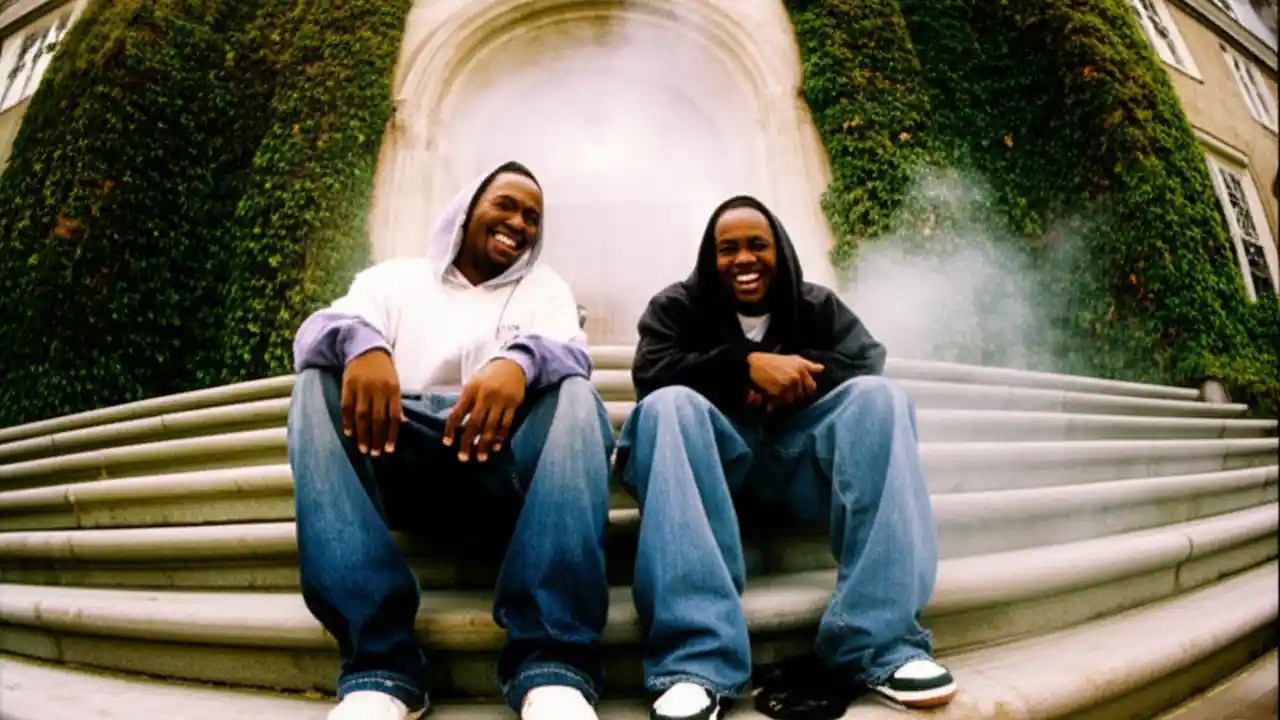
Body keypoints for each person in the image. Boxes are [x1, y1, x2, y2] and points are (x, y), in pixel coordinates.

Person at [288, 161, 614, 720]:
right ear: (469, 209)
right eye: (505, 204)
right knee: (316, 381)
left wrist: (519, 362)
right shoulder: (393, 279)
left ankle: (552, 664)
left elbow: (573, 352)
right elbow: (318, 330)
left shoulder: (545, 289)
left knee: (578, 396)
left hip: (503, 474)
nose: (519, 222)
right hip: (401, 458)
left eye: (532, 216)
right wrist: (363, 345)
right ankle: (380, 667)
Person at [616, 196, 956, 720]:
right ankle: (695, 660)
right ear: (711, 258)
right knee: (667, 405)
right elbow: (651, 372)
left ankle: (881, 642)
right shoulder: (676, 307)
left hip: (795, 467)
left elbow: (867, 359)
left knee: (882, 398)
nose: (744, 258)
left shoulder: (815, 306)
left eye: (758, 244)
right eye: (728, 248)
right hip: (712, 471)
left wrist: (794, 374)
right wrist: (743, 366)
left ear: (780, 250)